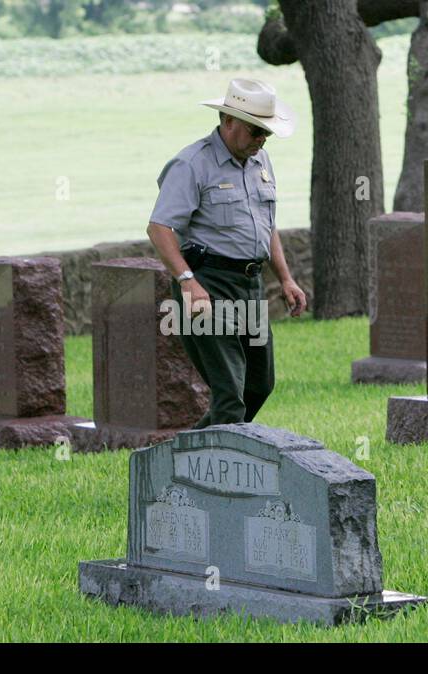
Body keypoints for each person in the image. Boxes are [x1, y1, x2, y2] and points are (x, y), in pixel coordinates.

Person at [146, 78, 308, 427]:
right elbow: (159, 228)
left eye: (266, 134)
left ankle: (184, 456)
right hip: (207, 285)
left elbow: (268, 226)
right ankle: (214, 472)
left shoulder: (260, 161)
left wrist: (286, 278)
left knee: (258, 386)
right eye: (255, 132)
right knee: (230, 393)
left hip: (249, 286)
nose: (261, 141)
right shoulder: (191, 164)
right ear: (228, 121)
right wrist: (188, 283)